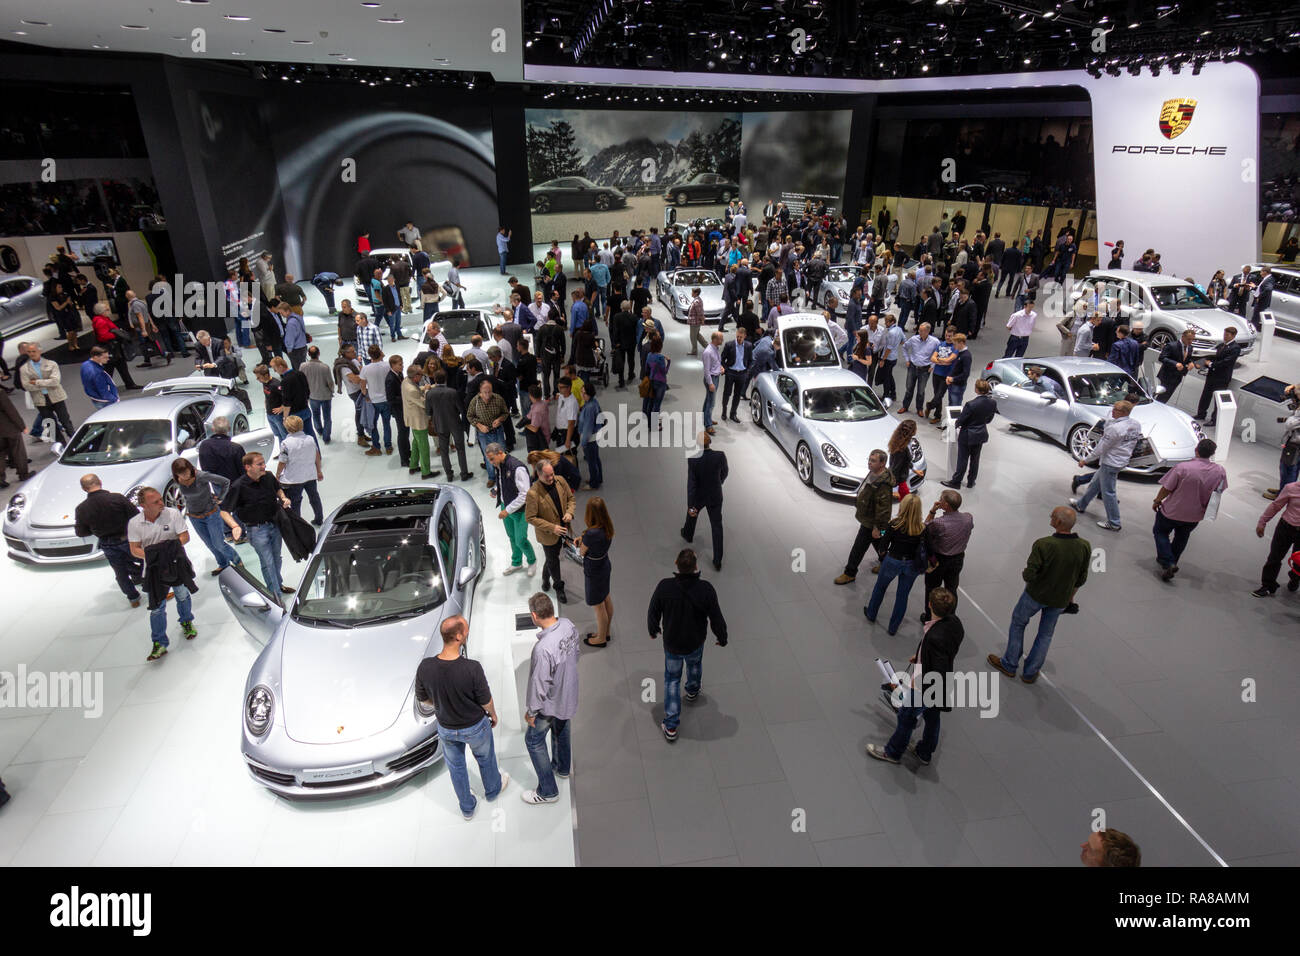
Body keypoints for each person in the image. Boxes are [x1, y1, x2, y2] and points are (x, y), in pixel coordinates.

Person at [414, 615, 508, 820]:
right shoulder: (472, 668)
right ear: (458, 636)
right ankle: (493, 790)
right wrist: (493, 714)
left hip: (447, 729)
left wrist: (440, 703)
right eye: (465, 630)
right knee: (485, 758)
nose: (467, 632)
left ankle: (467, 807)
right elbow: (485, 700)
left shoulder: (425, 667)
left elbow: (423, 699)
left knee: (456, 768)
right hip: (475, 727)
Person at [987, 506, 1091, 683]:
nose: (1050, 517)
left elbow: (1030, 574)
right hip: (1060, 599)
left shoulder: (1044, 544)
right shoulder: (1084, 546)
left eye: (1052, 516)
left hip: (1035, 596)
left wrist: (1027, 577)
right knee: (1046, 634)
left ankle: (1010, 664)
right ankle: (1030, 672)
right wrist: (1070, 597)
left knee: (1019, 623)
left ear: (1058, 522)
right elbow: (1081, 578)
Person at [866, 587, 965, 765]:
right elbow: (940, 652)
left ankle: (893, 752)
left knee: (906, 718)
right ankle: (925, 752)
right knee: (933, 719)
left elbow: (936, 665)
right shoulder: (955, 624)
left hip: (925, 687)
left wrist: (917, 685)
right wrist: (921, 655)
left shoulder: (935, 638)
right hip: (940, 687)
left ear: (929, 605)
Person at [647, 548, 728, 742]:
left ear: (677, 564)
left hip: (672, 643)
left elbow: (653, 609)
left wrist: (653, 629)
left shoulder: (665, 587)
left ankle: (672, 724)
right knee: (694, 664)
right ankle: (692, 690)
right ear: (695, 567)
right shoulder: (706, 589)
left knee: (672, 679)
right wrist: (722, 636)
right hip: (695, 641)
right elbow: (716, 616)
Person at [520, 591, 579, 806]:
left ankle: (548, 790)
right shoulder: (568, 625)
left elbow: (540, 685)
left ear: (535, 616)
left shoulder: (543, 648)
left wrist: (531, 712)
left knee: (533, 740)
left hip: (549, 703)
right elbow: (577, 653)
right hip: (568, 693)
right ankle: (563, 767)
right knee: (562, 726)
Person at [128, 487, 198, 662]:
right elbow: (134, 549)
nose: (161, 503)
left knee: (182, 595)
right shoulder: (135, 523)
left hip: (176, 565)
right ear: (143, 505)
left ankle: (186, 621)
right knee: (157, 607)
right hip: (153, 570)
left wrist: (168, 553)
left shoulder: (172, 514)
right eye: (156, 502)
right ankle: (159, 642)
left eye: (161, 499)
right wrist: (155, 557)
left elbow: (185, 536)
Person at [1151, 438, 1226, 582]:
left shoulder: (1183, 468)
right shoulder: (1220, 471)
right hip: (1194, 515)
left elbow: (1167, 487)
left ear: (1196, 450)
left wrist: (1157, 500)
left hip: (1172, 511)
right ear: (1212, 453)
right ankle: (1171, 562)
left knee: (1160, 532)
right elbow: (1219, 492)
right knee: (1182, 537)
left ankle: (1168, 562)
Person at [223, 451, 294, 596]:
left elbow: (277, 488)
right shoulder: (238, 486)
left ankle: (277, 586)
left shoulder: (268, 476)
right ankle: (276, 596)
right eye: (259, 464)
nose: (264, 466)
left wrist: (283, 497)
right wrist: (235, 526)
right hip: (256, 530)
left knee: (276, 559)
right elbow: (224, 511)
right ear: (248, 467)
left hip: (274, 525)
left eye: (263, 463)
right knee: (268, 563)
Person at [1070, 399, 1141, 531]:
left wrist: (1085, 460)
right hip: (1121, 460)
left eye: (1116, 410)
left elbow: (1101, 448)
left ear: (1124, 412)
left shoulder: (1115, 429)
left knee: (1109, 492)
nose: (1112, 411)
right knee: (1095, 483)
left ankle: (1114, 522)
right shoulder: (1135, 424)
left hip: (1110, 462)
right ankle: (1081, 505)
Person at [74, 474, 144, 607]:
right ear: (100, 482)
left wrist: (96, 530)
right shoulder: (117, 498)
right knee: (145, 562)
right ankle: (154, 589)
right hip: (129, 539)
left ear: (84, 489)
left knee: (120, 572)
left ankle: (133, 598)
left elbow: (81, 532)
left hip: (107, 543)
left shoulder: (81, 508)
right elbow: (135, 516)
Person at [864, 493, 927, 635]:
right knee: (902, 596)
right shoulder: (922, 529)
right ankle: (893, 628)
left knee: (880, 588)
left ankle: (871, 613)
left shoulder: (893, 525)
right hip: (912, 565)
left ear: (902, 507)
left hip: (893, 560)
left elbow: (882, 546)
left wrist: (884, 555)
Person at [171, 458, 242, 575]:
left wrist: (220, 498)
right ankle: (223, 564)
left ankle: (237, 560)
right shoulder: (178, 481)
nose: (184, 475)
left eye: (186, 471)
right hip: (194, 517)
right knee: (210, 544)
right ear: (176, 474)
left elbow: (225, 482)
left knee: (218, 543)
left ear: (190, 468)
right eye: (181, 473)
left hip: (211, 514)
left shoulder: (201, 476)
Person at [834, 449, 894, 585]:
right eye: (869, 459)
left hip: (872, 523)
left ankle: (850, 573)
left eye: (873, 461)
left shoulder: (883, 484)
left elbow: (883, 509)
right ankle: (886, 563)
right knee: (880, 543)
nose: (869, 463)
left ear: (883, 463)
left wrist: (877, 528)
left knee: (858, 548)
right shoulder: (874, 472)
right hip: (871, 520)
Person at [525, 460, 575, 604]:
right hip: (548, 534)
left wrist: (570, 513)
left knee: (551, 557)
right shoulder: (533, 493)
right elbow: (530, 517)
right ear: (538, 475)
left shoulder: (560, 481)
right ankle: (558, 587)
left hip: (564, 529)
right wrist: (552, 527)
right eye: (547, 476)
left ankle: (545, 577)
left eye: (552, 474)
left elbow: (571, 499)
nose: (551, 478)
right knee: (553, 560)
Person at [920, 490, 974, 623]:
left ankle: (929, 617)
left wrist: (932, 511)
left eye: (941, 499)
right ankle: (950, 617)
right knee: (951, 588)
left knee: (932, 589)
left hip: (939, 560)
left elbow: (923, 529)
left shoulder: (939, 523)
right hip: (958, 559)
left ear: (945, 505)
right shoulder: (968, 518)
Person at [681, 430, 728, 571]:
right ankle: (717, 560)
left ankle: (688, 534)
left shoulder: (693, 459)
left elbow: (692, 484)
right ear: (710, 442)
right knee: (717, 526)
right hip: (715, 495)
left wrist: (690, 504)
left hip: (699, 497)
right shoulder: (720, 456)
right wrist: (718, 482)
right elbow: (725, 472)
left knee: (692, 515)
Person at [942, 378, 997, 490]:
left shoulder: (971, 404)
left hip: (967, 435)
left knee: (963, 459)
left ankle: (956, 482)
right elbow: (989, 419)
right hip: (981, 434)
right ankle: (971, 481)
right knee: (975, 460)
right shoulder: (993, 402)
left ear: (977, 389)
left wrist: (956, 425)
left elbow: (961, 420)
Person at [1253, 480, 1300, 598]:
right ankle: (1268, 585)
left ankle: (1295, 578)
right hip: (1285, 528)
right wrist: (1262, 522)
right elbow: (1276, 505)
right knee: (1274, 557)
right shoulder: (1291, 488)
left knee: (1299, 563)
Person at [578, 497, 615, 647]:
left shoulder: (591, 534)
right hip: (604, 565)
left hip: (593, 570)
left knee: (598, 606)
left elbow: (581, 552)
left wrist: (582, 540)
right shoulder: (608, 527)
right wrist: (584, 538)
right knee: (605, 597)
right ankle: (606, 632)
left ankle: (600, 639)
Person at [19, 343, 74, 443]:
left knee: (65, 420)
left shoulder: (52, 364)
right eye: (29, 352)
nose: (32, 354)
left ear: (40, 351)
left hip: (57, 397)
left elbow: (55, 381)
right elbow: (26, 386)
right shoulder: (24, 369)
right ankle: (61, 445)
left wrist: (36, 382)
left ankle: (75, 441)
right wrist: (47, 382)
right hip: (40, 400)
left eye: (34, 351)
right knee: (51, 423)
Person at [276, 415, 324, 526]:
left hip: (294, 478)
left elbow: (282, 462)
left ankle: (298, 524)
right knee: (314, 497)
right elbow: (317, 455)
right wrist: (319, 471)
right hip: (310, 475)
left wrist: (278, 474)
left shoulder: (286, 443)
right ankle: (319, 518)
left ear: (287, 428)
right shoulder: (310, 439)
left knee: (296, 502)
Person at [426, 369, 472, 481]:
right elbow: (461, 409)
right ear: (446, 379)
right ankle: (464, 474)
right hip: (455, 423)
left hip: (440, 424)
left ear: (435, 380)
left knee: (444, 451)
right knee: (460, 449)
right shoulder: (452, 392)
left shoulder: (430, 393)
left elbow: (428, 411)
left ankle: (449, 475)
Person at [468, 378, 509, 491]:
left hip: (498, 431)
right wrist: (479, 425)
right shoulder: (475, 401)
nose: (487, 394)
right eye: (485, 392)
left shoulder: (498, 399)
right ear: (480, 392)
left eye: (489, 391)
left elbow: (505, 412)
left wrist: (499, 419)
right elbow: (470, 416)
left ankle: (504, 474)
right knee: (488, 456)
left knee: (501, 453)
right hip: (483, 434)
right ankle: (492, 477)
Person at [1194, 327, 1242, 425]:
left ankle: (1214, 419)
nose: (1225, 336)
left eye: (1227, 335)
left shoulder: (1235, 348)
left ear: (1233, 336)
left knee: (1217, 400)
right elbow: (1212, 356)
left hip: (1221, 377)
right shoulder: (1221, 345)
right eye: (1224, 334)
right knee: (1205, 395)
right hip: (1212, 375)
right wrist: (1202, 362)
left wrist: (1211, 364)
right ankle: (1201, 413)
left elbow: (1227, 362)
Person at [270, 355, 314, 443]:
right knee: (311, 436)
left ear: (281, 366)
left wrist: (285, 418)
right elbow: (307, 391)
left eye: (275, 368)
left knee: (298, 440)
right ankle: (317, 455)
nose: (275, 371)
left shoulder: (285, 381)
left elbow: (287, 402)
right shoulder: (300, 374)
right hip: (306, 409)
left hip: (294, 415)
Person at [900, 322, 939, 415]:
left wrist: (933, 365)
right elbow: (904, 347)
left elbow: (938, 354)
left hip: (925, 369)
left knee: (921, 391)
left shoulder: (935, 342)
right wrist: (907, 359)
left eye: (922, 331)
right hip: (913, 367)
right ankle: (905, 406)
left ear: (928, 331)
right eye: (919, 330)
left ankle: (919, 409)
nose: (919, 332)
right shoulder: (914, 339)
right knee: (909, 388)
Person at [300, 345, 335, 443]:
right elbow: (330, 382)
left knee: (315, 415)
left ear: (308, 354)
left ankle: (319, 431)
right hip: (325, 396)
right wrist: (332, 391)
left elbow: (301, 380)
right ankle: (326, 437)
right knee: (327, 416)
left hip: (312, 396)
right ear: (319, 354)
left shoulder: (303, 366)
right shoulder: (325, 367)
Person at [719, 327, 752, 424]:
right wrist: (726, 370)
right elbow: (722, 359)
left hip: (742, 374)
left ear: (745, 336)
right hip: (731, 373)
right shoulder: (729, 345)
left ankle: (733, 414)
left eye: (741, 337)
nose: (738, 338)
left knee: (737, 395)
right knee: (727, 393)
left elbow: (750, 360)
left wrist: (747, 371)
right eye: (737, 336)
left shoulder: (749, 346)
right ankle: (724, 411)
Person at [198, 416, 245, 484]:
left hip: (215, 484)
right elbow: (243, 471)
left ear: (213, 429)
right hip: (234, 485)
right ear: (229, 429)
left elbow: (204, 468)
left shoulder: (204, 445)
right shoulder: (236, 448)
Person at [1155, 328, 1196, 404]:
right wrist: (1175, 363)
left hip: (1178, 376)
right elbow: (1162, 358)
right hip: (1167, 375)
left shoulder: (1190, 348)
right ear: (1183, 337)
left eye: (1192, 340)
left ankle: (1159, 407)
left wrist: (1191, 363)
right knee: (1161, 395)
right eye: (1189, 339)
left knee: (1167, 396)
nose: (1190, 341)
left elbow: (1188, 359)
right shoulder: (1171, 346)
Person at [0, 387, 30, 488]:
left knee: (0, 454)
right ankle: (23, 474)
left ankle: (1, 479)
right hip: (8, 428)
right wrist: (22, 426)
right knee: (18, 451)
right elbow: (10, 411)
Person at [577, 382, 603, 489]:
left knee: (591, 461)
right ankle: (598, 478)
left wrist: (583, 442)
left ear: (589, 393)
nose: (582, 395)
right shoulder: (593, 402)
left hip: (589, 439)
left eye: (584, 393)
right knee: (596, 459)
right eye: (582, 393)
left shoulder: (589, 407)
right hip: (595, 436)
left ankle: (593, 483)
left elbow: (587, 426)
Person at [642, 335, 670, 429]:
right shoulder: (660, 358)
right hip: (660, 383)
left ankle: (650, 424)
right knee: (657, 405)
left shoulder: (649, 355)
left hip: (652, 381)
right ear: (660, 346)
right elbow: (664, 371)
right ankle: (654, 425)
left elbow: (647, 369)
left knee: (650, 403)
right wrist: (669, 362)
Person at [701, 330, 723, 434]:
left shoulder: (716, 349)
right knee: (711, 403)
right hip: (711, 379)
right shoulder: (708, 352)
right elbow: (706, 370)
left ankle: (706, 419)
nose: (722, 340)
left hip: (716, 377)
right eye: (720, 339)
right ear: (715, 339)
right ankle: (708, 425)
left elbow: (716, 362)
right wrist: (710, 383)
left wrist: (720, 368)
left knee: (708, 400)